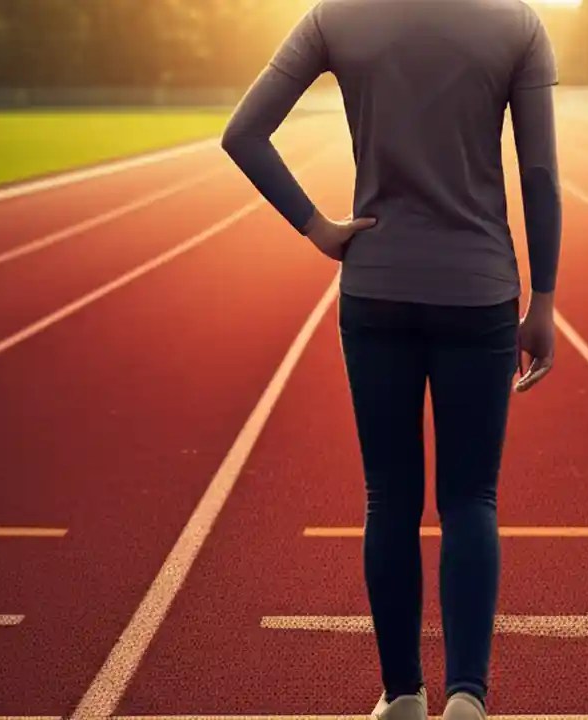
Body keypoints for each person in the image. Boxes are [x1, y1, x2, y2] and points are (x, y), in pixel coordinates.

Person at [221, 1, 561, 718]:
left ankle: (401, 694)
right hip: (479, 289)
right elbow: (538, 173)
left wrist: (316, 227)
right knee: (471, 499)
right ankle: (467, 697)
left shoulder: (335, 16)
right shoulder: (517, 23)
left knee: (390, 499)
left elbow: (243, 134)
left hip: (376, 287)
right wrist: (545, 298)